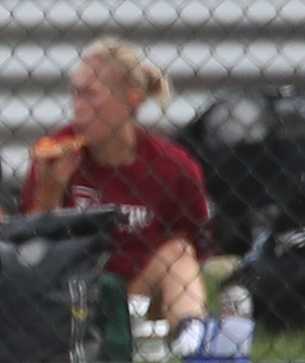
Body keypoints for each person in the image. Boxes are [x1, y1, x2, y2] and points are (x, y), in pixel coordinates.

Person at [22, 37, 213, 342]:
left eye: (89, 95)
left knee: (178, 254)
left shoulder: (172, 166)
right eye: (75, 94)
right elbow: (28, 252)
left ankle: (192, 338)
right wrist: (49, 193)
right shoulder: (56, 155)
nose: (77, 107)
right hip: (73, 296)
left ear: (131, 99)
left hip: (139, 298)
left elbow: (193, 244)